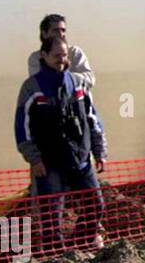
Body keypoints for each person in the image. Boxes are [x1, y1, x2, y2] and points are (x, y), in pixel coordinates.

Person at [15, 36, 107, 251]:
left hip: (81, 159)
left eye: (64, 56)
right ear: (44, 56)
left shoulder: (77, 83)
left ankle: (81, 246)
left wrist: (99, 150)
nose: (62, 60)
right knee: (51, 219)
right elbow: (22, 128)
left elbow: (92, 118)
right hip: (49, 164)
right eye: (57, 56)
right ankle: (55, 259)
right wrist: (34, 159)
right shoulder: (32, 88)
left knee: (95, 206)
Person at [27, 14, 95, 88]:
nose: (61, 34)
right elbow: (38, 84)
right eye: (56, 30)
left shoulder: (74, 52)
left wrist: (68, 78)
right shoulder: (36, 58)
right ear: (44, 34)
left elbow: (90, 79)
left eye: (63, 30)